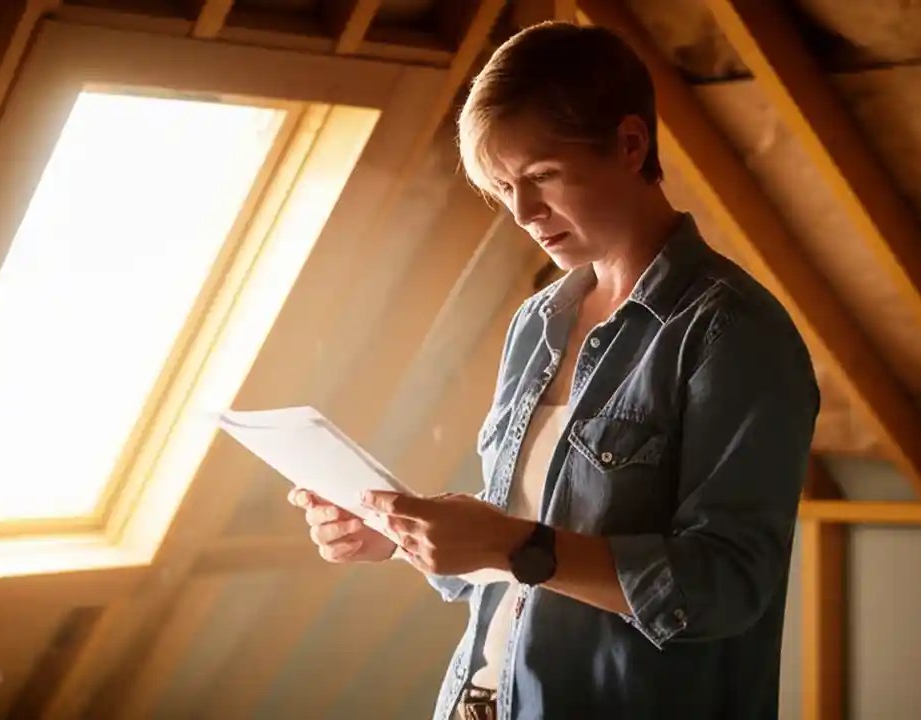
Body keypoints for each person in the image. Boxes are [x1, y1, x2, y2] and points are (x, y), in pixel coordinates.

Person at [288, 21, 819, 720]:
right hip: (483, 700)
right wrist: (401, 535)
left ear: (630, 145)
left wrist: (512, 543)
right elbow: (523, 543)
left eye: (541, 176)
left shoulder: (733, 333)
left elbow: (724, 585)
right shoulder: (538, 322)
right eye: (503, 186)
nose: (522, 212)